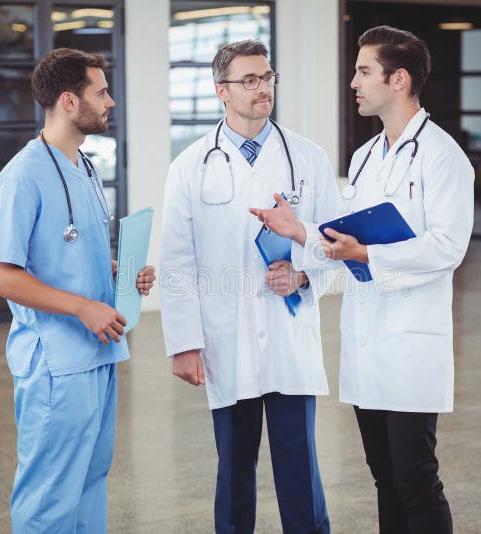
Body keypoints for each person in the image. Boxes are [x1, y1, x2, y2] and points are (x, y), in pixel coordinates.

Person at [250, 26, 473, 534]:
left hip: (412, 344)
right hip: (368, 341)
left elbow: (447, 247)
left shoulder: (442, 156)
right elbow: (341, 239)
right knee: (385, 477)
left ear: (399, 79)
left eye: (364, 71)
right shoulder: (366, 156)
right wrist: (299, 233)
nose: (353, 81)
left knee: (417, 478)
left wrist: (368, 252)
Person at [160, 39, 339, 534]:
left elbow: (336, 243)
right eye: (250, 80)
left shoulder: (308, 158)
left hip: (288, 335)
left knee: (299, 467)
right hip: (226, 339)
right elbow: (177, 260)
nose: (263, 88)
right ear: (221, 90)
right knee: (234, 469)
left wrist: (302, 273)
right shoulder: (191, 166)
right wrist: (185, 344)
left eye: (268, 78)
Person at [0, 48, 156, 532]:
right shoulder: (20, 177)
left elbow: (73, 254)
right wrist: (82, 306)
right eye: (100, 92)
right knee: (49, 496)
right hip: (56, 364)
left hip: (98, 354)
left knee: (89, 482)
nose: (111, 101)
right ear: (68, 101)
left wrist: (124, 272)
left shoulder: (85, 168)